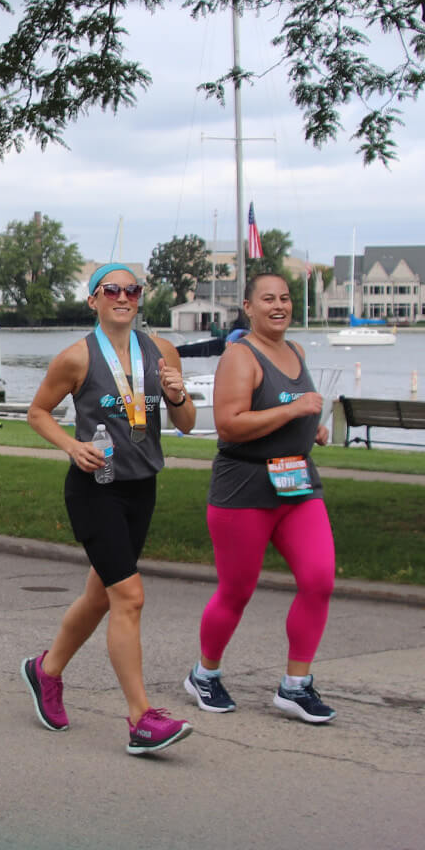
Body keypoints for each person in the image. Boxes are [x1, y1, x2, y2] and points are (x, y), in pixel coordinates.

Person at [20, 264, 198, 755]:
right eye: (112, 290)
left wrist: (179, 393)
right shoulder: (76, 358)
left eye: (132, 290)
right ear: (94, 300)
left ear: (140, 298)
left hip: (142, 487)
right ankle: (142, 719)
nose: (123, 296)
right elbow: (37, 413)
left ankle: (47, 669)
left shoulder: (160, 351)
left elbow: (186, 422)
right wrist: (70, 447)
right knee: (131, 597)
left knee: (102, 596)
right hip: (95, 488)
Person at [185, 271, 337, 724]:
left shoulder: (296, 351)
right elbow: (230, 424)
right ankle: (204, 674)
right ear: (248, 308)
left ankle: (296, 686)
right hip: (244, 487)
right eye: (267, 299)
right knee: (237, 591)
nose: (279, 306)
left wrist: (310, 427)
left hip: (296, 483)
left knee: (319, 578)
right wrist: (294, 410)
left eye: (286, 298)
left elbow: (285, 411)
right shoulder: (239, 356)